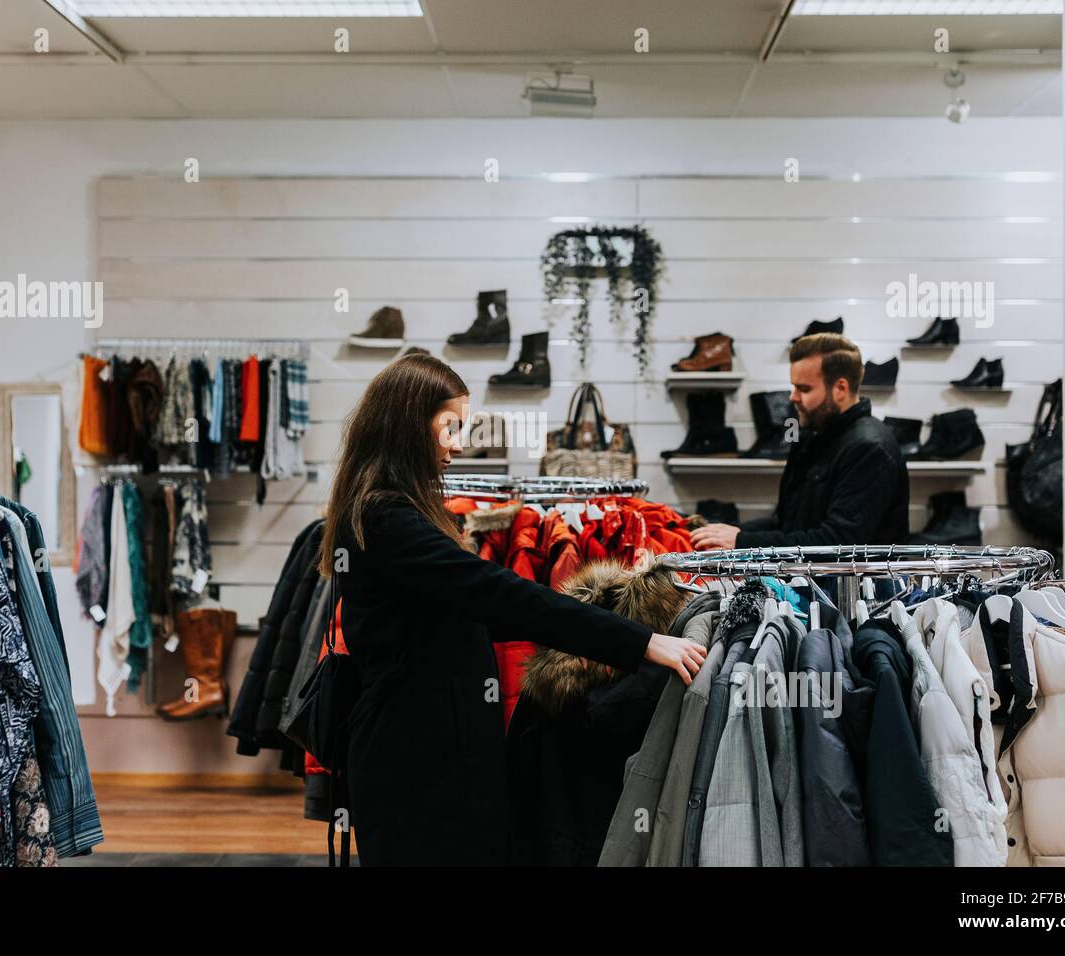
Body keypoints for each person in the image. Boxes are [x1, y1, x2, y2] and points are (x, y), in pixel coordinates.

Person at [320, 353, 706, 866]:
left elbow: (487, 609)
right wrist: (643, 642)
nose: (458, 444)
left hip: (428, 749)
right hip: (412, 759)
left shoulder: (396, 512)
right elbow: (503, 595)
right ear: (409, 425)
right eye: (449, 428)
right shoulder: (388, 519)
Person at [690, 333, 909, 551]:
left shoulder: (870, 448)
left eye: (804, 389)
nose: (792, 397)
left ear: (840, 389)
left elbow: (839, 543)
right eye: (794, 387)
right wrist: (726, 533)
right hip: (813, 582)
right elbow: (788, 524)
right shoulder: (811, 438)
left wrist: (741, 541)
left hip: (854, 586)